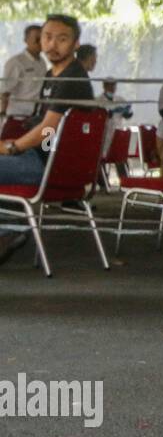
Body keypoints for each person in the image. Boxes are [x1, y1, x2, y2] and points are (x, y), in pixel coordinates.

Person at [0, 15, 95, 263]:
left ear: (76, 44)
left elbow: (47, 130)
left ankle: (8, 230)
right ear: (39, 39)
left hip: (50, 168)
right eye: (47, 37)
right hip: (48, 161)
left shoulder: (71, 79)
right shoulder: (54, 76)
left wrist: (12, 148)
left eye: (62, 39)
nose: (52, 45)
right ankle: (11, 227)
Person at [0, 24, 44, 122]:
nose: (40, 42)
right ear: (26, 40)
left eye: (42, 39)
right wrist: (3, 113)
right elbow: (5, 92)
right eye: (37, 39)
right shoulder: (16, 62)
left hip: (36, 117)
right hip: (17, 117)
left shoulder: (42, 62)